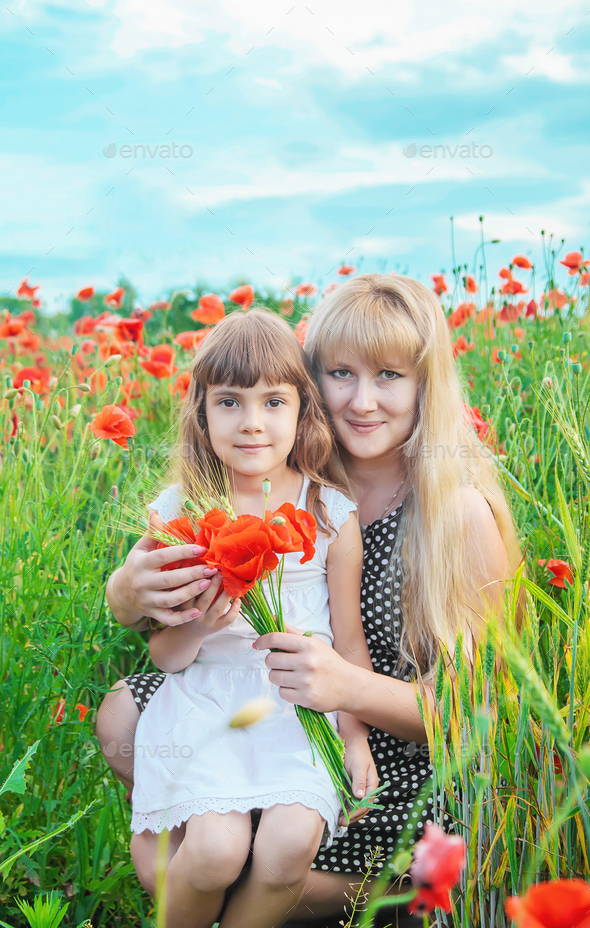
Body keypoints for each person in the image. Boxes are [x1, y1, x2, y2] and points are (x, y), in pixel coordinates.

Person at [97, 274, 521, 926]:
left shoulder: (452, 515)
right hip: (259, 702)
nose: (362, 400)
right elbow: (168, 618)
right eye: (341, 373)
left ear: (425, 384)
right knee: (122, 715)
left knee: (264, 865)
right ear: (309, 386)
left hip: (386, 757)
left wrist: (347, 688)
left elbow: (478, 715)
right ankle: (176, 847)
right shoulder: (292, 475)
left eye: (389, 375)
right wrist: (124, 593)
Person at [107, 309, 378, 928]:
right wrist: (201, 623)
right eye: (229, 402)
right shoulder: (181, 512)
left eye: (273, 402)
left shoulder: (331, 513)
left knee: (286, 850)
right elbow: (165, 656)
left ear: (303, 411)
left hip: (301, 713)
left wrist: (354, 738)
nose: (252, 423)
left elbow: (350, 648)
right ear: (201, 412)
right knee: (213, 853)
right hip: (209, 707)